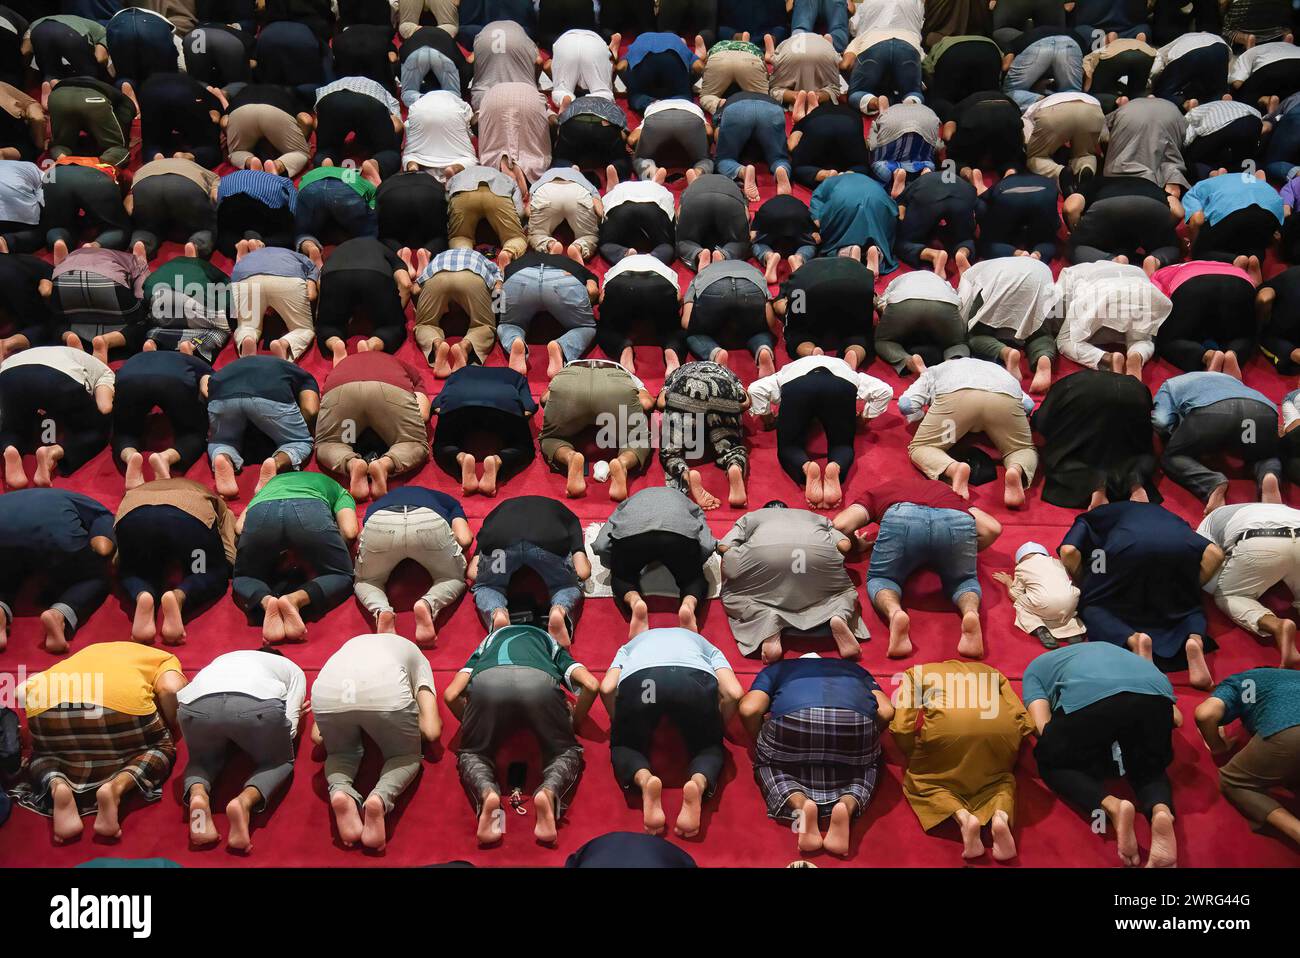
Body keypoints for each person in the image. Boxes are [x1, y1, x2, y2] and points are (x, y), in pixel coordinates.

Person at [1023, 641, 1181, 867]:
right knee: (1146, 764)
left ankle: (1112, 806)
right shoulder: (1118, 653)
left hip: (1091, 695)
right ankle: (1161, 812)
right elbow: (1176, 718)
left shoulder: (1034, 671)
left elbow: (1042, 728)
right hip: (1154, 693)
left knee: (1050, 760)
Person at [12, 642, 186, 843]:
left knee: (44, 753)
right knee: (162, 747)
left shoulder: (77, 658)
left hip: (48, 704)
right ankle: (115, 788)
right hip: (120, 707)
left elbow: (20, 693)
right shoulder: (164, 658)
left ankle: (57, 785)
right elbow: (170, 688)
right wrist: (171, 725)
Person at [445, 623, 598, 846]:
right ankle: (548, 792)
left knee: (473, 753)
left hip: (488, 685)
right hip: (539, 685)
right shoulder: (548, 640)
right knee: (566, 752)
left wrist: (473, 723)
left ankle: (489, 797)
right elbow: (592, 685)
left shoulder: (488, 642)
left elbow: (450, 695)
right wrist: (573, 723)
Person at [739, 655, 895, 856]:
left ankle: (801, 805)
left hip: (794, 719)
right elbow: (886, 711)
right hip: (854, 721)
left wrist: (763, 743)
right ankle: (845, 807)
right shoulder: (855, 669)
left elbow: (748, 709)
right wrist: (867, 739)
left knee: (769, 762)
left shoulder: (779, 668)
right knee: (866, 765)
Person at [834, 474, 1003, 658]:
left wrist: (856, 545)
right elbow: (991, 528)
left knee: (882, 578)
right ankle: (970, 612)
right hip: (954, 520)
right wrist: (961, 550)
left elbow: (841, 525)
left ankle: (895, 613)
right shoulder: (948, 493)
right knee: (963, 580)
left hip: (902, 517)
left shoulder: (879, 492)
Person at [1059, 501, 1223, 688]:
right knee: (1189, 605)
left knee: (1092, 606)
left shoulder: (1092, 516)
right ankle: (1194, 640)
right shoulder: (1168, 514)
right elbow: (1215, 554)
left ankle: (1135, 640)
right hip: (1175, 550)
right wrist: (1189, 587)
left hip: (1126, 549)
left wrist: (1086, 585)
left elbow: (1068, 551)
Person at [601, 625, 742, 837]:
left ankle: (645, 780)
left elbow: (607, 688)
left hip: (643, 681)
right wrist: (716, 725)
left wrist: (621, 719)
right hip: (691, 681)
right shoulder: (705, 644)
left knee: (626, 745)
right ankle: (698, 783)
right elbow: (734, 692)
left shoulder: (630, 645)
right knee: (707, 747)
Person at [890, 661, 1035, 860]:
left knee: (925, 782)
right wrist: (1013, 744)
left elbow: (901, 727)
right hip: (1002, 733)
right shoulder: (992, 671)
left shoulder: (914, 673)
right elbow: (1024, 720)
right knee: (1000, 780)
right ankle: (1000, 816)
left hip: (948, 733)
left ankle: (963, 818)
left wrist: (911, 753)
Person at [311, 633, 441, 851]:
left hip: (328, 692)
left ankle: (340, 791)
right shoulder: (417, 656)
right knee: (404, 757)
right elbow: (431, 730)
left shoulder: (348, 645)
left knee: (340, 754)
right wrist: (408, 719)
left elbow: (316, 736)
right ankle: (379, 798)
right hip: (385, 692)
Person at [177, 648, 306, 852]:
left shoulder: (222, 657)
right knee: (279, 762)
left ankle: (198, 795)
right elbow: (290, 730)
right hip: (255, 705)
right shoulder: (293, 670)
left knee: (200, 761)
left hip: (195, 705)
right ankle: (244, 802)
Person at [720, 503, 870, 661]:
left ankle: (768, 622)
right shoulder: (814, 517)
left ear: (767, 509)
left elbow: (724, 546)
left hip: (764, 559)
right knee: (843, 593)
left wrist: (737, 560)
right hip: (815, 556)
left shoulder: (753, 515)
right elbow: (845, 545)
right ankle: (837, 614)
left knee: (733, 594)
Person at [748, 354, 893, 508]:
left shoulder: (788, 368)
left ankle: (806, 467)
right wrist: (862, 419)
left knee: (790, 447)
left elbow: (755, 389)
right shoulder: (847, 369)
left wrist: (769, 419)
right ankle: (836, 467)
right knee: (842, 445)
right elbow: (885, 391)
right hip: (840, 386)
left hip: (798, 386)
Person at [233, 471, 358, 644]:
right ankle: (295, 600)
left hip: (263, 510)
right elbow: (350, 532)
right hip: (311, 509)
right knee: (341, 574)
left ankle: (266, 600)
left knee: (244, 577)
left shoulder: (268, 486)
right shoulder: (338, 489)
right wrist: (317, 551)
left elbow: (239, 527)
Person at [898, 355, 1039, 508]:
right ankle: (1016, 469)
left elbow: (906, 404)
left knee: (922, 447)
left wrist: (921, 416)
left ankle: (953, 468)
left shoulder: (936, 369)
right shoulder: (999, 370)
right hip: (1004, 401)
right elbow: (1028, 405)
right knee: (1021, 448)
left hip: (955, 404)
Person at [116, 476, 235, 644]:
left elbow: (116, 553)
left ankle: (143, 593)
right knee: (204, 570)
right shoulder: (207, 493)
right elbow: (230, 552)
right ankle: (180, 595)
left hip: (134, 518)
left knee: (135, 570)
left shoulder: (136, 491)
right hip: (187, 521)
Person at [0, 487, 116, 653]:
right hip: (56, 536)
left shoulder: (7, 498)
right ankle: (60, 613)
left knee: (7, 571)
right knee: (96, 576)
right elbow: (102, 519)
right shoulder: (80, 500)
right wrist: (104, 542)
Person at [1195, 668, 1300, 846]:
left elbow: (1205, 714)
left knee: (1233, 781)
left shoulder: (1241, 681)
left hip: (1288, 731)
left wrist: (1218, 747)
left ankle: (1295, 830)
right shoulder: (1292, 676)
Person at [354, 486, 471, 645]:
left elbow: (362, 536)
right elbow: (465, 539)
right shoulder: (450, 502)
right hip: (428, 520)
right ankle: (428, 604)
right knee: (452, 577)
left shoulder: (377, 504)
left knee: (366, 580)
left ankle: (382, 610)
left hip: (381, 520)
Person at [1151, 371, 1282, 512]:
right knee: (1263, 455)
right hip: (1261, 411)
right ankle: (1268, 474)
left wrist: (1178, 434)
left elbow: (1161, 422)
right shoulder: (1230, 378)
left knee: (1172, 457)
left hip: (1212, 414)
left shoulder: (1171, 383)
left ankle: (1211, 482)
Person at [1031, 368, 1161, 508]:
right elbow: (1146, 429)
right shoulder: (1136, 384)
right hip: (1134, 397)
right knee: (1132, 449)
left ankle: (1095, 485)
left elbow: (1043, 422)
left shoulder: (1066, 384)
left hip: (1086, 417)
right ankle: (1135, 482)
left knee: (1069, 452)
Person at [593, 486, 717, 631]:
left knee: (623, 578)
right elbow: (707, 543)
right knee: (692, 580)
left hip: (633, 537)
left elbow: (601, 544)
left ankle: (635, 601)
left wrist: (614, 561)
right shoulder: (685, 500)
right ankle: (688, 605)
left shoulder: (629, 501)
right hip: (677, 535)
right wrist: (695, 559)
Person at [315, 349, 431, 501]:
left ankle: (352, 463)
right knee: (411, 442)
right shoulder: (398, 362)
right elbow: (423, 414)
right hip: (388, 394)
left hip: (344, 397)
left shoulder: (342, 364)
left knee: (334, 442)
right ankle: (385, 464)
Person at [471, 495, 589, 643]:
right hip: (546, 541)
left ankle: (497, 613)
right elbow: (583, 570)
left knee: (488, 586)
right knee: (566, 585)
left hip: (501, 542)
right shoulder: (567, 515)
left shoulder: (495, 514)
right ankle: (559, 610)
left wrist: (487, 576)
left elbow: (472, 572)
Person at [1197, 503, 1300, 667]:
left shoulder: (1208, 522)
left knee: (1229, 594)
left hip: (1261, 543)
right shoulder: (1283, 509)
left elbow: (1209, 562)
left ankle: (1278, 626)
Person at [206, 354, 319, 498]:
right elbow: (311, 410)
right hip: (269, 396)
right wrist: (305, 431)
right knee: (298, 442)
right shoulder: (299, 372)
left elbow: (208, 386)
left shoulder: (230, 367)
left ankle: (222, 456)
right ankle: (275, 463)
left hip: (222, 395)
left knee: (222, 441)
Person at [0, 345, 114, 488]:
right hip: (58, 377)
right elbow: (105, 406)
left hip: (8, 373)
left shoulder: (52, 351)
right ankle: (54, 452)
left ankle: (10, 448)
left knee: (12, 423)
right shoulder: (105, 371)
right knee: (95, 430)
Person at [539, 359, 654, 500]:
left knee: (551, 438)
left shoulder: (566, 369)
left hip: (569, 381)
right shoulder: (624, 371)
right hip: (615, 385)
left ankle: (570, 458)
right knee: (640, 440)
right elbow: (647, 403)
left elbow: (544, 398)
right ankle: (622, 463)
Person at [956, 254, 1059, 393]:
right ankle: (1043, 358)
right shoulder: (1040, 265)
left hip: (1001, 283)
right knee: (1039, 334)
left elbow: (963, 306)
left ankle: (1006, 352)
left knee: (974, 335)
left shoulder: (974, 271)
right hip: (1040, 282)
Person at [431, 363, 536, 495]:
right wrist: (516, 423)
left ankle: (460, 458)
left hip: (459, 402)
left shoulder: (458, 373)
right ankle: (498, 461)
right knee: (524, 448)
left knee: (442, 445)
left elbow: (437, 405)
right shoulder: (516, 376)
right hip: (503, 402)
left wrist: (448, 419)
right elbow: (529, 407)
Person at [1054, 261, 1172, 378]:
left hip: (1100, 293)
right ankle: (1137, 355)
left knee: (1065, 341)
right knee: (1142, 339)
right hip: (1141, 289)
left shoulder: (1070, 271)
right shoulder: (1133, 268)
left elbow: (1058, 301)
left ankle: (1107, 358)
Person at [112, 349, 211, 489]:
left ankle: (130, 456)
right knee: (192, 433)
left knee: (124, 432)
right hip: (174, 381)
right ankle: (166, 458)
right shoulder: (193, 360)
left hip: (130, 380)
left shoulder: (135, 357)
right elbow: (208, 384)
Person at [657, 360, 749, 509]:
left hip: (685, 387)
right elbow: (746, 401)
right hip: (723, 387)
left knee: (670, 452)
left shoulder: (678, 372)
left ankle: (685, 474)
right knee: (731, 446)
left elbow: (661, 403)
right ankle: (734, 466)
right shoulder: (727, 372)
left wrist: (677, 411)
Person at [500, 249, 600, 377]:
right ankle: (561, 347)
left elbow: (498, 287)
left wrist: (498, 310)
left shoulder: (520, 261)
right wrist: (583, 305)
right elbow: (592, 290)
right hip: (564, 279)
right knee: (586, 327)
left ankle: (515, 340)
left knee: (508, 324)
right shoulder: (574, 265)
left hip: (519, 276)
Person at [1151, 259, 1260, 374]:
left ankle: (1207, 356)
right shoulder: (1227, 265)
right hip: (1239, 282)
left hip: (1192, 286)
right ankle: (1232, 355)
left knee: (1169, 341)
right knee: (1243, 337)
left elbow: (1156, 299)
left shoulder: (1161, 273)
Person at [315, 237, 414, 361]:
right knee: (391, 327)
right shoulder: (385, 250)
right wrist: (395, 312)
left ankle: (335, 343)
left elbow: (320, 283)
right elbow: (406, 284)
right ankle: (372, 344)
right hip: (374, 275)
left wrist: (325, 313)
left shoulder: (337, 251)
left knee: (328, 326)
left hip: (335, 275)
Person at [49, 243, 152, 361]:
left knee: (56, 321)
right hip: (109, 281)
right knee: (142, 322)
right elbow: (142, 294)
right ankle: (107, 340)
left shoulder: (73, 255)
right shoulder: (133, 259)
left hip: (64, 278)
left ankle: (69, 336)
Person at [409, 247, 504, 373]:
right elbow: (498, 288)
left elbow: (415, 289)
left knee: (425, 324)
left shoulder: (438, 256)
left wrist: (419, 310)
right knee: (484, 326)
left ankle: (437, 345)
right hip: (472, 278)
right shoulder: (484, 260)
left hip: (437, 278)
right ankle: (465, 347)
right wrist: (497, 315)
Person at [774, 255, 877, 366]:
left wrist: (792, 314)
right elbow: (873, 300)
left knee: (798, 333)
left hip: (806, 290)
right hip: (857, 285)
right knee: (859, 332)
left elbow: (778, 306)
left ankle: (811, 353)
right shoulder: (852, 264)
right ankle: (855, 352)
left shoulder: (797, 278)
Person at [1063, 174, 1183, 268]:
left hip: (1108, 208)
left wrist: (1078, 233)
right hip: (1152, 206)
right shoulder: (1152, 184)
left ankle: (1112, 261)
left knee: (1075, 246)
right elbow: (1178, 212)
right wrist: (1161, 232)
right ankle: (1156, 260)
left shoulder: (1095, 181)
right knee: (1171, 246)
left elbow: (1070, 208)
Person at [229, 241, 319, 361]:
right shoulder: (296, 255)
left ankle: (247, 337)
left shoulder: (247, 258)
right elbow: (313, 270)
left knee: (247, 325)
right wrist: (311, 286)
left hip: (247, 279)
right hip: (287, 279)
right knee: (303, 328)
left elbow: (234, 276)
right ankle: (284, 343)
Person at [596, 253, 685, 374]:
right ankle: (672, 351)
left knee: (607, 327)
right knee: (672, 328)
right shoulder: (661, 265)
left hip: (621, 286)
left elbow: (602, 299)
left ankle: (622, 348)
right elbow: (678, 298)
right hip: (660, 286)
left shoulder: (619, 265)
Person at [874, 267, 970, 377]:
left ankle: (907, 361)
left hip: (904, 302)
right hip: (944, 304)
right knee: (958, 344)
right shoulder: (943, 282)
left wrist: (886, 323)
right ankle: (951, 362)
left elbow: (883, 304)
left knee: (883, 341)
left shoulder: (896, 280)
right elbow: (958, 302)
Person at [140, 248, 232, 359]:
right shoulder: (202, 265)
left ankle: (153, 340)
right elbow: (227, 286)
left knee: (159, 324)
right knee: (222, 330)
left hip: (158, 298)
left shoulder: (166, 265)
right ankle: (193, 345)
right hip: (191, 301)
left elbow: (146, 288)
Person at [126, 155, 219, 259]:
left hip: (146, 186)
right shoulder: (195, 166)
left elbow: (130, 192)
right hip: (185, 185)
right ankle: (197, 244)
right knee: (205, 228)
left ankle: (141, 242)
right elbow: (216, 190)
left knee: (146, 227)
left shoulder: (145, 167)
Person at [1182, 168, 1283, 262]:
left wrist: (1194, 247)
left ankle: (1235, 261)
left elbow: (1197, 219)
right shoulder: (1251, 179)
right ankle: (1254, 260)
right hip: (1272, 211)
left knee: (1200, 252)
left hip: (1233, 211)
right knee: (1254, 244)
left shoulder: (1202, 185)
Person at [220, 83, 314, 177]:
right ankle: (277, 166)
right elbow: (306, 120)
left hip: (240, 113)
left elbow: (224, 122)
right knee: (299, 153)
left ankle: (250, 161)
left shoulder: (241, 92)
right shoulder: (286, 94)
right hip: (274, 112)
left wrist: (233, 140)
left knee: (237, 152)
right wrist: (301, 142)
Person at [293, 162, 382, 263]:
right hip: (345, 188)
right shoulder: (359, 177)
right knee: (368, 233)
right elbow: (374, 208)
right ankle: (364, 255)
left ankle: (310, 247)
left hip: (310, 187)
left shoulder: (315, 172)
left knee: (304, 233)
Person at [810, 172, 899, 272]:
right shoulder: (869, 180)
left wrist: (818, 223)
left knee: (833, 237)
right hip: (878, 204)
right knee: (880, 233)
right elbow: (893, 208)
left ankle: (848, 251)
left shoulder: (829, 181)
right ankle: (877, 252)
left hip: (845, 205)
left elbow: (816, 204)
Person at [713, 93, 795, 200]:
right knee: (779, 157)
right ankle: (781, 168)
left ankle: (742, 171)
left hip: (736, 110)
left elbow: (717, 133)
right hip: (771, 109)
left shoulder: (726, 102)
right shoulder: (767, 96)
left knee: (724, 159)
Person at [893, 167, 976, 270]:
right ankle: (962, 253)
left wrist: (903, 229)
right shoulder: (964, 184)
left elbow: (900, 212)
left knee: (902, 242)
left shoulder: (914, 185)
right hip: (963, 196)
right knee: (965, 239)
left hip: (928, 199)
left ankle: (933, 255)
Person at [46, 76, 137, 168]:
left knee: (61, 143)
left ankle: (62, 158)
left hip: (57, 96)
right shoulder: (127, 104)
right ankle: (98, 169)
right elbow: (123, 126)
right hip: (94, 99)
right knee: (117, 148)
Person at [1023, 91, 1105, 191]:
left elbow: (1027, 141)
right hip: (1093, 107)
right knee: (1084, 154)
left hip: (1054, 112)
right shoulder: (1056, 97)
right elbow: (1104, 136)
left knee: (1036, 157)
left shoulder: (1028, 112)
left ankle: (1060, 172)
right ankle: (1085, 167)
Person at [476, 82, 552, 185]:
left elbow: (475, 120)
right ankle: (526, 167)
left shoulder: (492, 90)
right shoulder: (532, 89)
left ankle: (499, 161)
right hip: (530, 98)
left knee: (493, 148)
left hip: (493, 97)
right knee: (533, 153)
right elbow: (553, 121)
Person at [788, 97, 872, 189]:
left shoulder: (806, 118)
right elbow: (864, 141)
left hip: (818, 128)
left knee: (797, 166)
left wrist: (796, 152)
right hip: (849, 126)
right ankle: (850, 174)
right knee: (862, 165)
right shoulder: (852, 112)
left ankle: (823, 174)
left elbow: (792, 144)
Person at [675, 173, 752, 270]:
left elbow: (679, 212)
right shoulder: (735, 187)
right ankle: (723, 255)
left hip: (695, 200)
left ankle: (698, 254)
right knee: (740, 242)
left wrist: (682, 231)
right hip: (729, 200)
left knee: (684, 241)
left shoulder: (690, 187)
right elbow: (746, 214)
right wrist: (743, 235)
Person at [525, 167, 602, 263]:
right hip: (577, 192)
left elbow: (528, 210)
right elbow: (598, 206)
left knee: (537, 234)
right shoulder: (581, 178)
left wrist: (533, 221)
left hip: (547, 191)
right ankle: (579, 247)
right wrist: (598, 220)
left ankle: (550, 245)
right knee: (588, 235)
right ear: (576, 170)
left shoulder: (545, 175)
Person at [215, 168, 298, 255]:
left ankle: (243, 247)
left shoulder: (226, 178)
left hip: (230, 202)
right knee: (291, 233)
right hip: (268, 205)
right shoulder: (284, 181)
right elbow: (295, 211)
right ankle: (262, 245)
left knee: (222, 233)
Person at [631, 97, 715, 183]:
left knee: (640, 159)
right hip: (691, 120)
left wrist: (641, 148)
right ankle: (697, 174)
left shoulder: (652, 108)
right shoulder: (694, 107)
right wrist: (705, 147)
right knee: (705, 160)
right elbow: (709, 132)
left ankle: (651, 173)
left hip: (656, 121)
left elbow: (632, 139)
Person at [598, 178, 677, 265]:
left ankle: (623, 253)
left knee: (606, 244)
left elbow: (600, 212)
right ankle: (655, 257)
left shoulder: (617, 188)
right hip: (654, 206)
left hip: (620, 206)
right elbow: (675, 216)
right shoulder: (659, 189)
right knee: (666, 244)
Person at [401, 89, 478, 176]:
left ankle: (413, 164)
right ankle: (454, 168)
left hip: (419, 112)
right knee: (469, 158)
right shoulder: (460, 103)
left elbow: (408, 125)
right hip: (452, 113)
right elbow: (470, 127)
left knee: (411, 154)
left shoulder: (419, 102)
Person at [619, 32, 697, 114]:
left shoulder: (641, 39)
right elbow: (698, 67)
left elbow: (620, 67)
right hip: (673, 63)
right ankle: (678, 101)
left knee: (636, 95)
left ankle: (650, 103)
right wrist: (690, 82)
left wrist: (631, 85)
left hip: (644, 68)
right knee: (683, 94)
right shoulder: (677, 42)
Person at [750, 193, 818, 283]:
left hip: (770, 218)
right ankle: (799, 258)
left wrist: (754, 239)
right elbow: (816, 232)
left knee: (758, 243)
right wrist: (814, 236)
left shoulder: (766, 205)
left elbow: (752, 234)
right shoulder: (801, 204)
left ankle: (768, 256)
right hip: (798, 218)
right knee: (808, 244)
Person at [1149, 31, 1230, 106]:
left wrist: (1151, 80)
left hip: (1192, 53)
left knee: (1162, 91)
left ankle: (1186, 104)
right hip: (1221, 48)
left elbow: (1158, 62)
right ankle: (1220, 98)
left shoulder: (1182, 38)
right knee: (1214, 89)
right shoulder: (1213, 36)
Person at [769, 31, 842, 105]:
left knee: (775, 89)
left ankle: (796, 96)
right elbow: (839, 61)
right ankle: (817, 97)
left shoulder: (788, 40)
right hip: (825, 51)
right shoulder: (822, 41)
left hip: (790, 53)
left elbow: (775, 61)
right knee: (833, 88)